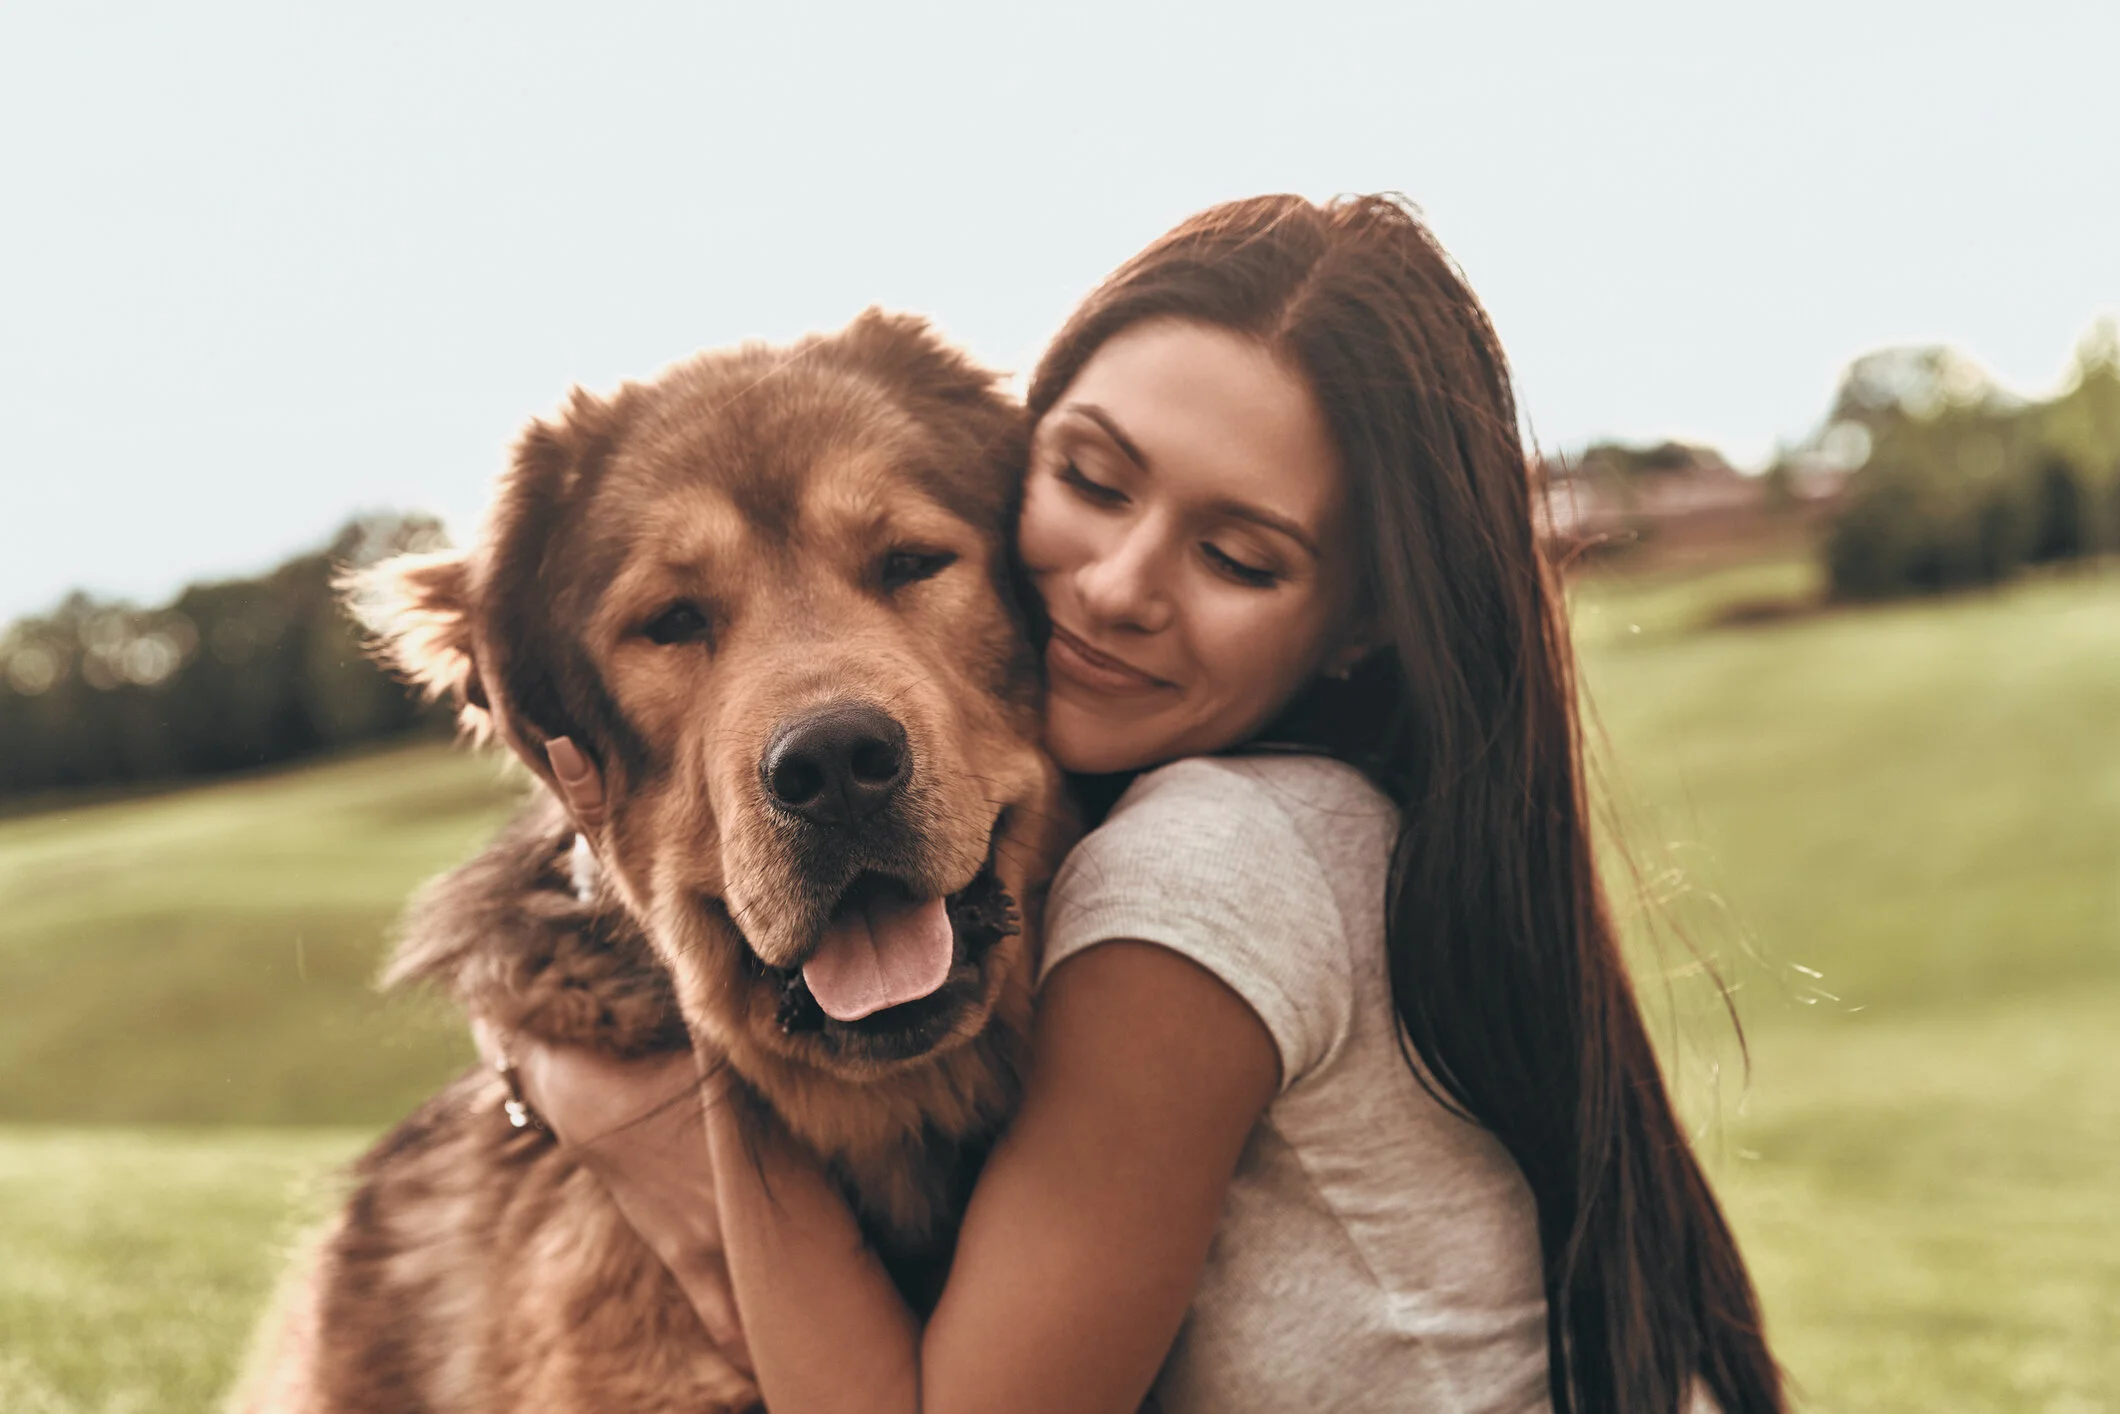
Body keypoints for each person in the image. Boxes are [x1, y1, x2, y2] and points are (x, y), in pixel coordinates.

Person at [486, 194, 1785, 1414]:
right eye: (1096, 481)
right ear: (1023, 473)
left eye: (1237, 554)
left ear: (1360, 622)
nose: (1115, 586)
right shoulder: (1354, 821)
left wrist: (676, 1012)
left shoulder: (1200, 865)